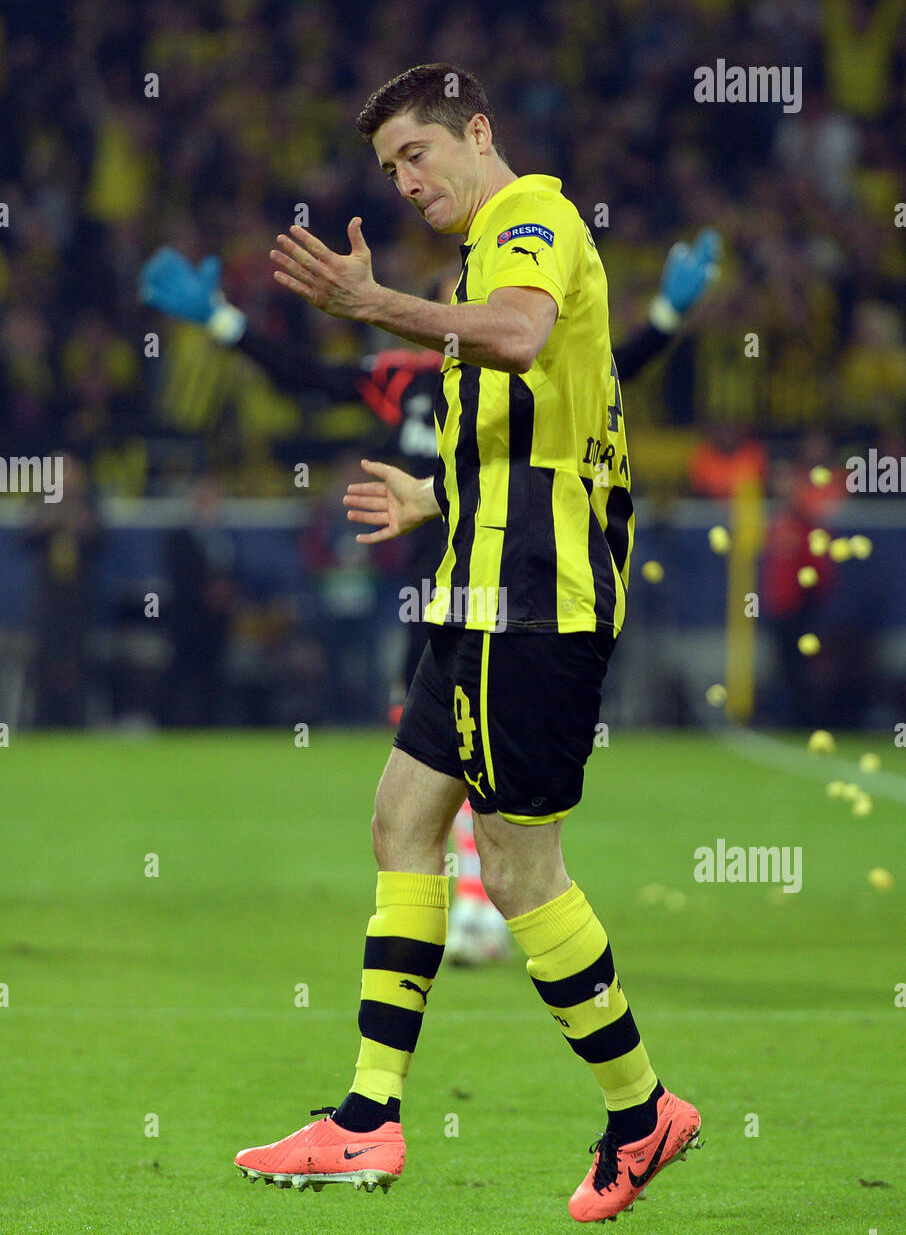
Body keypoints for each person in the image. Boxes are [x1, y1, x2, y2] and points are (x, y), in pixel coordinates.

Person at [232, 64, 701, 1223]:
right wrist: (432, 502)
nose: (404, 182)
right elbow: (546, 437)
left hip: (535, 610)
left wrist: (376, 305)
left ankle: (642, 1113)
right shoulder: (481, 258)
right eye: (389, 168)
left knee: (521, 862)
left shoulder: (531, 218)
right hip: (477, 596)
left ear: (476, 130)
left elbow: (525, 334)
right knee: (401, 816)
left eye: (415, 155)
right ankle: (367, 1120)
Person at [140, 219, 720, 964]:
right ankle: (458, 907)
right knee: (425, 760)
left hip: (511, 586)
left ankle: (482, 906)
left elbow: (613, 368)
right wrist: (220, 319)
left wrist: (667, 318)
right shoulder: (406, 380)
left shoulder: (528, 377)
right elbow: (305, 376)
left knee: (488, 757)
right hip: (429, 594)